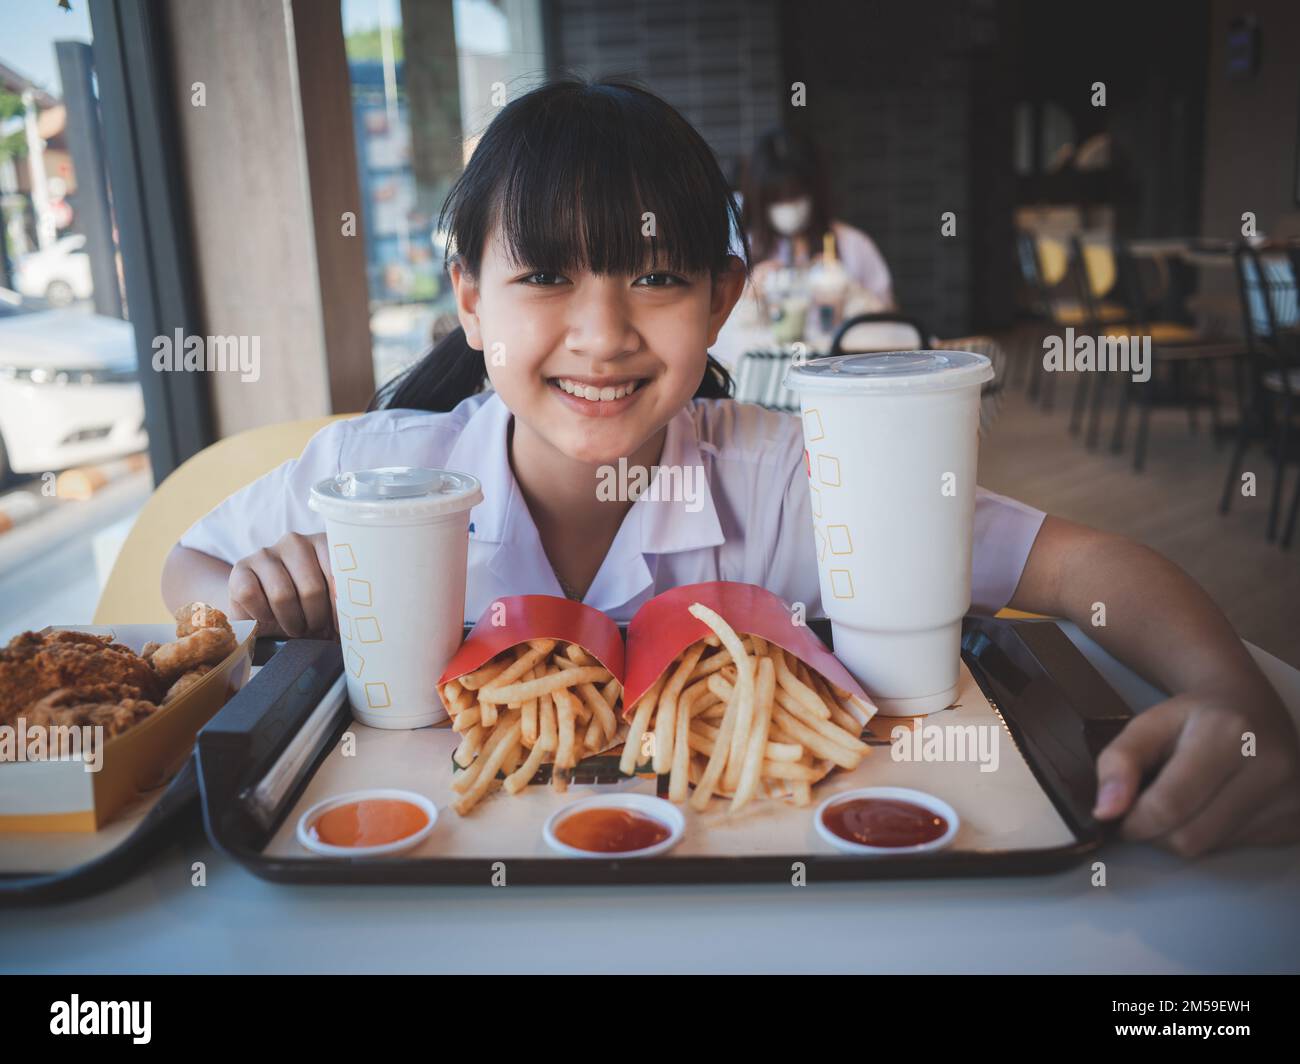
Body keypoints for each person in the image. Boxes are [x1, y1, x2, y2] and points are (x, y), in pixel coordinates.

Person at [162, 78, 1298, 857]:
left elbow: (1086, 566)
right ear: (468, 299)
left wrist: (1239, 705)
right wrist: (247, 598)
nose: (602, 334)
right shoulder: (376, 469)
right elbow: (188, 561)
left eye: (654, 279)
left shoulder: (791, 476)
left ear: (722, 300)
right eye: (546, 277)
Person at [742, 127, 894, 311]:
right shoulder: (741, 250)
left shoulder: (854, 245)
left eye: (796, 195)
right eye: (776, 198)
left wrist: (852, 292)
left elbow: (890, 321)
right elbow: (720, 331)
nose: (788, 206)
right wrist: (748, 298)